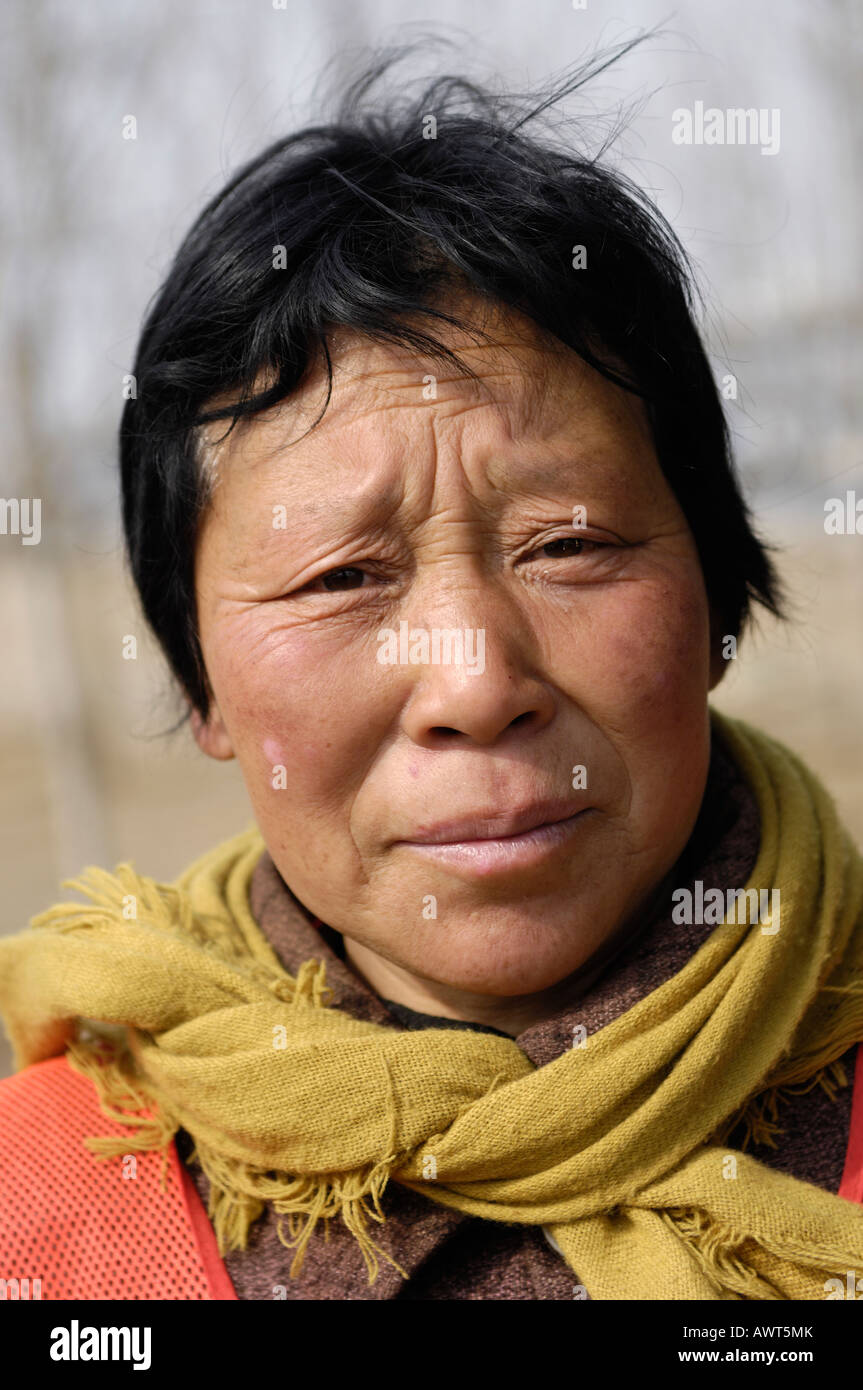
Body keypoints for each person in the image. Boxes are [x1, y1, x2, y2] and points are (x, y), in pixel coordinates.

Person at [1, 45, 862, 1302]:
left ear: (715, 599)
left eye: (567, 544)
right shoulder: (45, 1223)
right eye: (341, 578)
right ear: (202, 687)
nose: (469, 682)